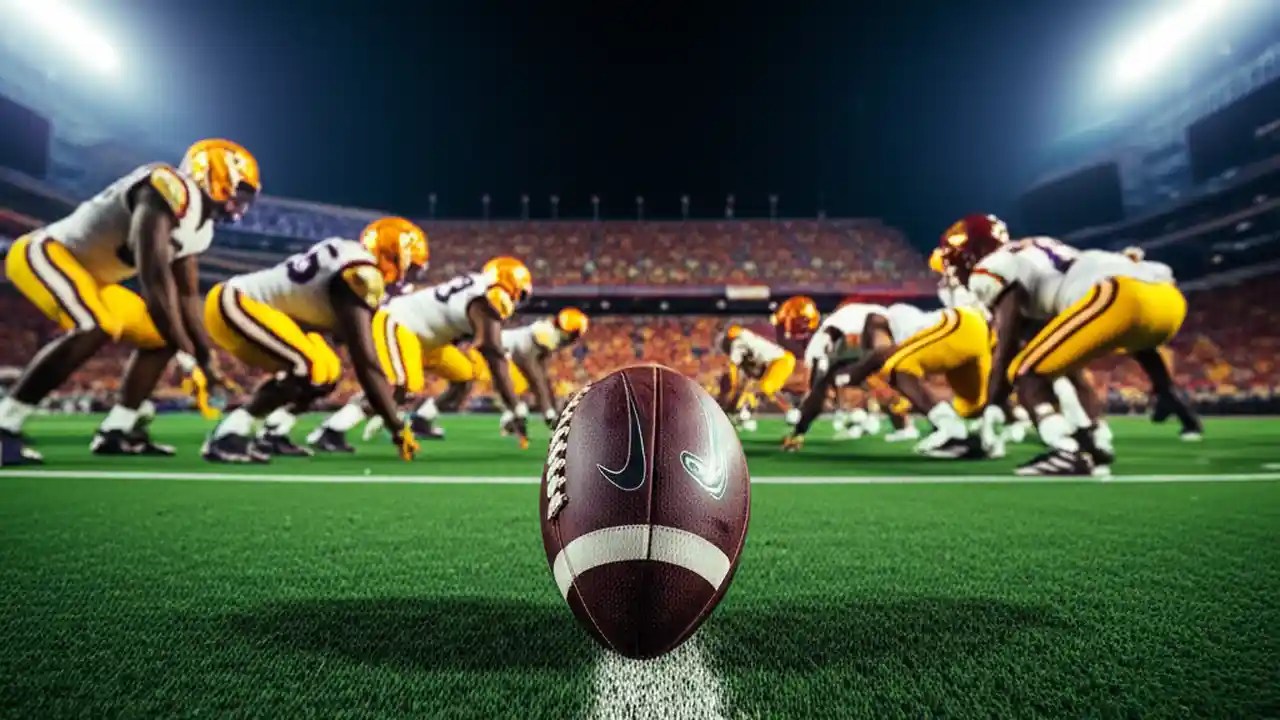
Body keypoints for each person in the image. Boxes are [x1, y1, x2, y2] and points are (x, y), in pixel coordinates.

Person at [0, 139, 258, 464]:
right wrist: (188, 355)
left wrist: (205, 358)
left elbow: (187, 294)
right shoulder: (165, 186)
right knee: (95, 325)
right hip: (47, 253)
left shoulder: (201, 231)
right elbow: (154, 277)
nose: (240, 206)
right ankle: (4, 424)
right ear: (215, 173)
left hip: (96, 281)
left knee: (161, 337)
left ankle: (118, 429)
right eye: (239, 193)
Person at [201, 217, 424, 463]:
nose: (408, 277)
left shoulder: (354, 261)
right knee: (305, 368)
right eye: (411, 268)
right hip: (237, 301)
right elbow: (365, 363)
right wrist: (396, 426)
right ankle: (229, 434)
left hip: (273, 313)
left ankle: (275, 430)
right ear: (393, 255)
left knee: (325, 373)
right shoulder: (362, 275)